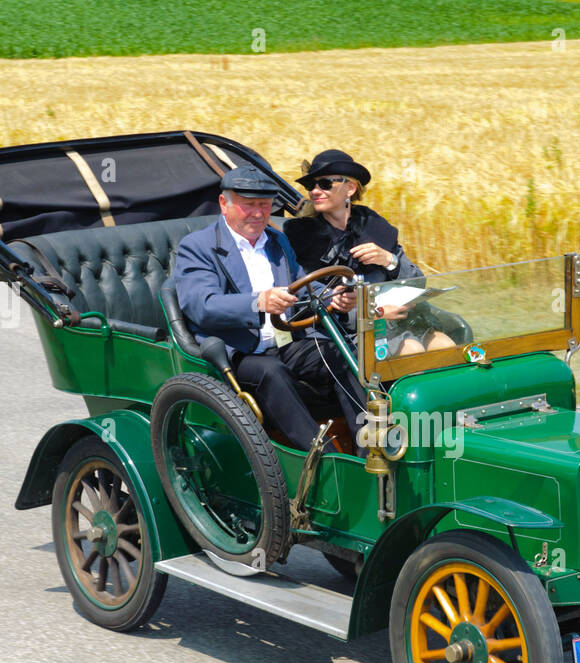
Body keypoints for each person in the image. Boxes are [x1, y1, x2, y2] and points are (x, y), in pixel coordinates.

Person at [173, 166, 366, 453]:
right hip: (237, 350)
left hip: (287, 340)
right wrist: (257, 302)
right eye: (248, 205)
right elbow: (202, 306)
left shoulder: (278, 241)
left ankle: (373, 449)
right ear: (224, 204)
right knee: (271, 372)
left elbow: (301, 291)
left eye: (264, 205)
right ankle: (325, 459)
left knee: (341, 353)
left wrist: (331, 300)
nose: (258, 213)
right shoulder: (197, 246)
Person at [283, 149, 456, 356]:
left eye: (325, 184)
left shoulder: (372, 224)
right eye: (311, 185)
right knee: (411, 350)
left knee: (447, 348)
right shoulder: (302, 236)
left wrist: (389, 261)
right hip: (345, 332)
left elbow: (417, 282)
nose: (315, 191)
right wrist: (375, 313)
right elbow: (308, 300)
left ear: (350, 188)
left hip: (399, 321)